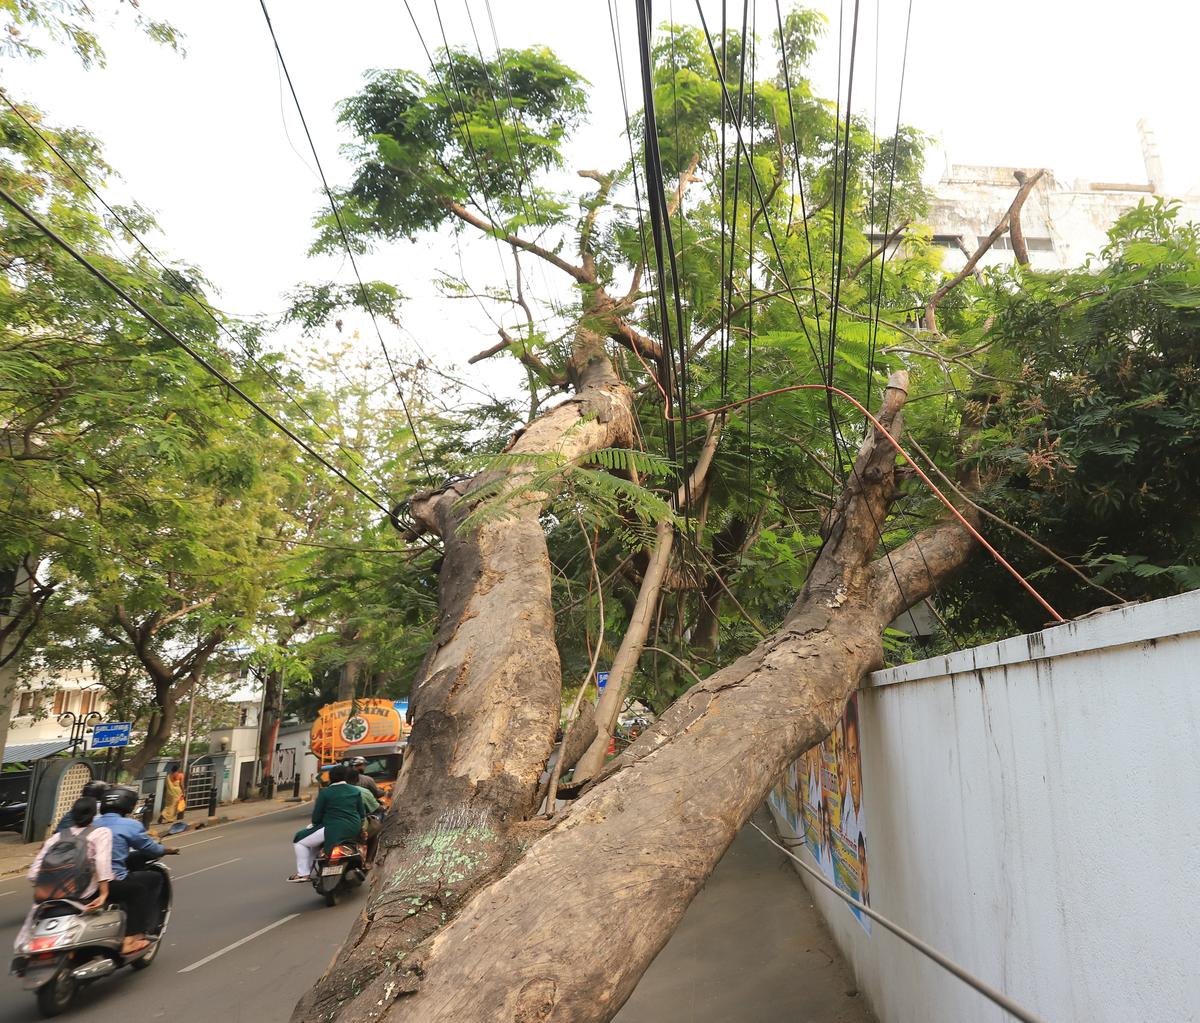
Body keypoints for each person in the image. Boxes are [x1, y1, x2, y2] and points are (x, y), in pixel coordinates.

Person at [17, 798, 114, 953]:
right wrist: (104, 893)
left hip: (47, 902)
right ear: (94, 814)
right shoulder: (101, 833)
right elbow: (102, 862)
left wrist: (50, 888)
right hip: (82, 895)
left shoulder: (56, 838)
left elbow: (33, 874)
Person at [96, 785, 179, 954]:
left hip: (86, 880)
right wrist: (165, 849)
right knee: (150, 882)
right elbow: (150, 848)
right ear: (128, 805)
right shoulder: (130, 825)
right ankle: (135, 935)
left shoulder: (91, 824)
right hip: (112, 878)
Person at [289, 764, 371, 882]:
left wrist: (317, 823)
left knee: (299, 841)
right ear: (346, 777)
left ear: (330, 777)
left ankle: (303, 874)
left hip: (333, 829)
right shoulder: (355, 791)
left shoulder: (326, 792)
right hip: (354, 828)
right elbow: (362, 814)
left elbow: (316, 817)